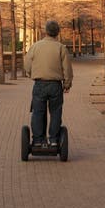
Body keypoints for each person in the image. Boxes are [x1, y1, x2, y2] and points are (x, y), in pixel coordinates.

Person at [24, 19, 73, 147]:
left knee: (38, 112)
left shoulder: (35, 46)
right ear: (57, 32)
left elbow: (27, 64)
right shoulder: (61, 48)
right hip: (55, 85)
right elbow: (67, 68)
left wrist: (31, 74)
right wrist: (67, 84)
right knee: (56, 112)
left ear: (45, 31)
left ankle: (38, 140)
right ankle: (54, 140)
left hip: (39, 84)